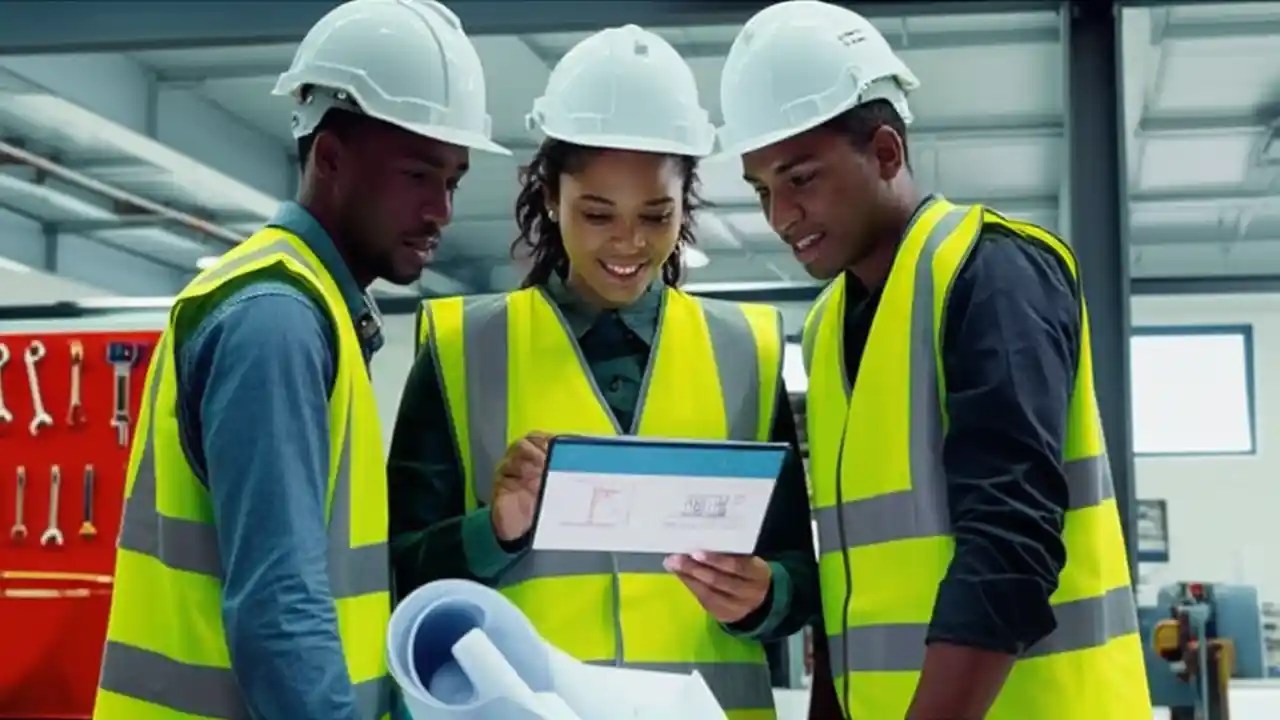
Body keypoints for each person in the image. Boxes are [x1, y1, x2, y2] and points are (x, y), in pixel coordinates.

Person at [716, 2, 1152, 719]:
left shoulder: (993, 273)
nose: (779, 216)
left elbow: (1010, 547)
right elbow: (852, 593)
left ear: (887, 153)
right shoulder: (825, 327)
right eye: (762, 190)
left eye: (801, 179)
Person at [387, 24, 819, 720]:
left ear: (686, 203)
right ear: (549, 197)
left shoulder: (749, 350)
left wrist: (767, 595)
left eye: (657, 215)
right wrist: (493, 531)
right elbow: (397, 572)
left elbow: (802, 571)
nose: (629, 242)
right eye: (596, 213)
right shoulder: (462, 348)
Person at [92, 2, 509, 719]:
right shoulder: (276, 320)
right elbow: (278, 609)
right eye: (418, 175)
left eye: (453, 182)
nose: (442, 209)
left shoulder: (312, 309)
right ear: (331, 159)